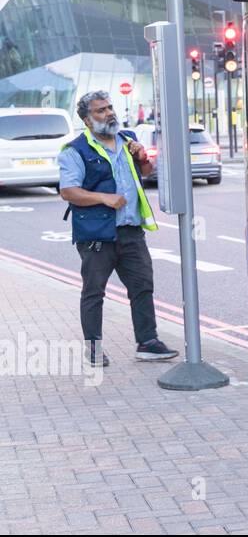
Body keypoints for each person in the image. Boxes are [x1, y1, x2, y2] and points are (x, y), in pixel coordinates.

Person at [57, 91, 179, 367]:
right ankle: (94, 349)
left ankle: (148, 342)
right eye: (100, 111)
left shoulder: (127, 140)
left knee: (142, 287)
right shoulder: (76, 150)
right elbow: (68, 191)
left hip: (131, 230)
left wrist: (144, 157)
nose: (109, 113)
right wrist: (104, 198)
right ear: (88, 120)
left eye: (110, 107)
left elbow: (145, 173)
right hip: (97, 234)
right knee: (94, 292)